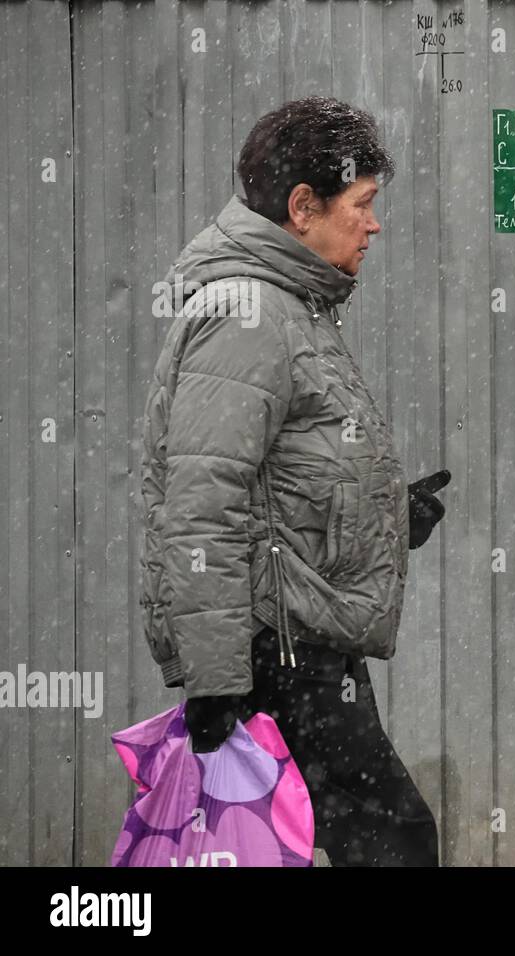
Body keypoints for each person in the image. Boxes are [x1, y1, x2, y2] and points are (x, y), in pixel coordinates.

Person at [138, 96, 448, 866]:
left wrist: (384, 516)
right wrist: (217, 685)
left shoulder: (288, 306)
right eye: (363, 205)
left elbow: (285, 477)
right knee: (394, 844)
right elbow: (200, 505)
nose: (374, 225)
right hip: (274, 656)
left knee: (360, 844)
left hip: (301, 645)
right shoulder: (248, 316)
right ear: (303, 206)